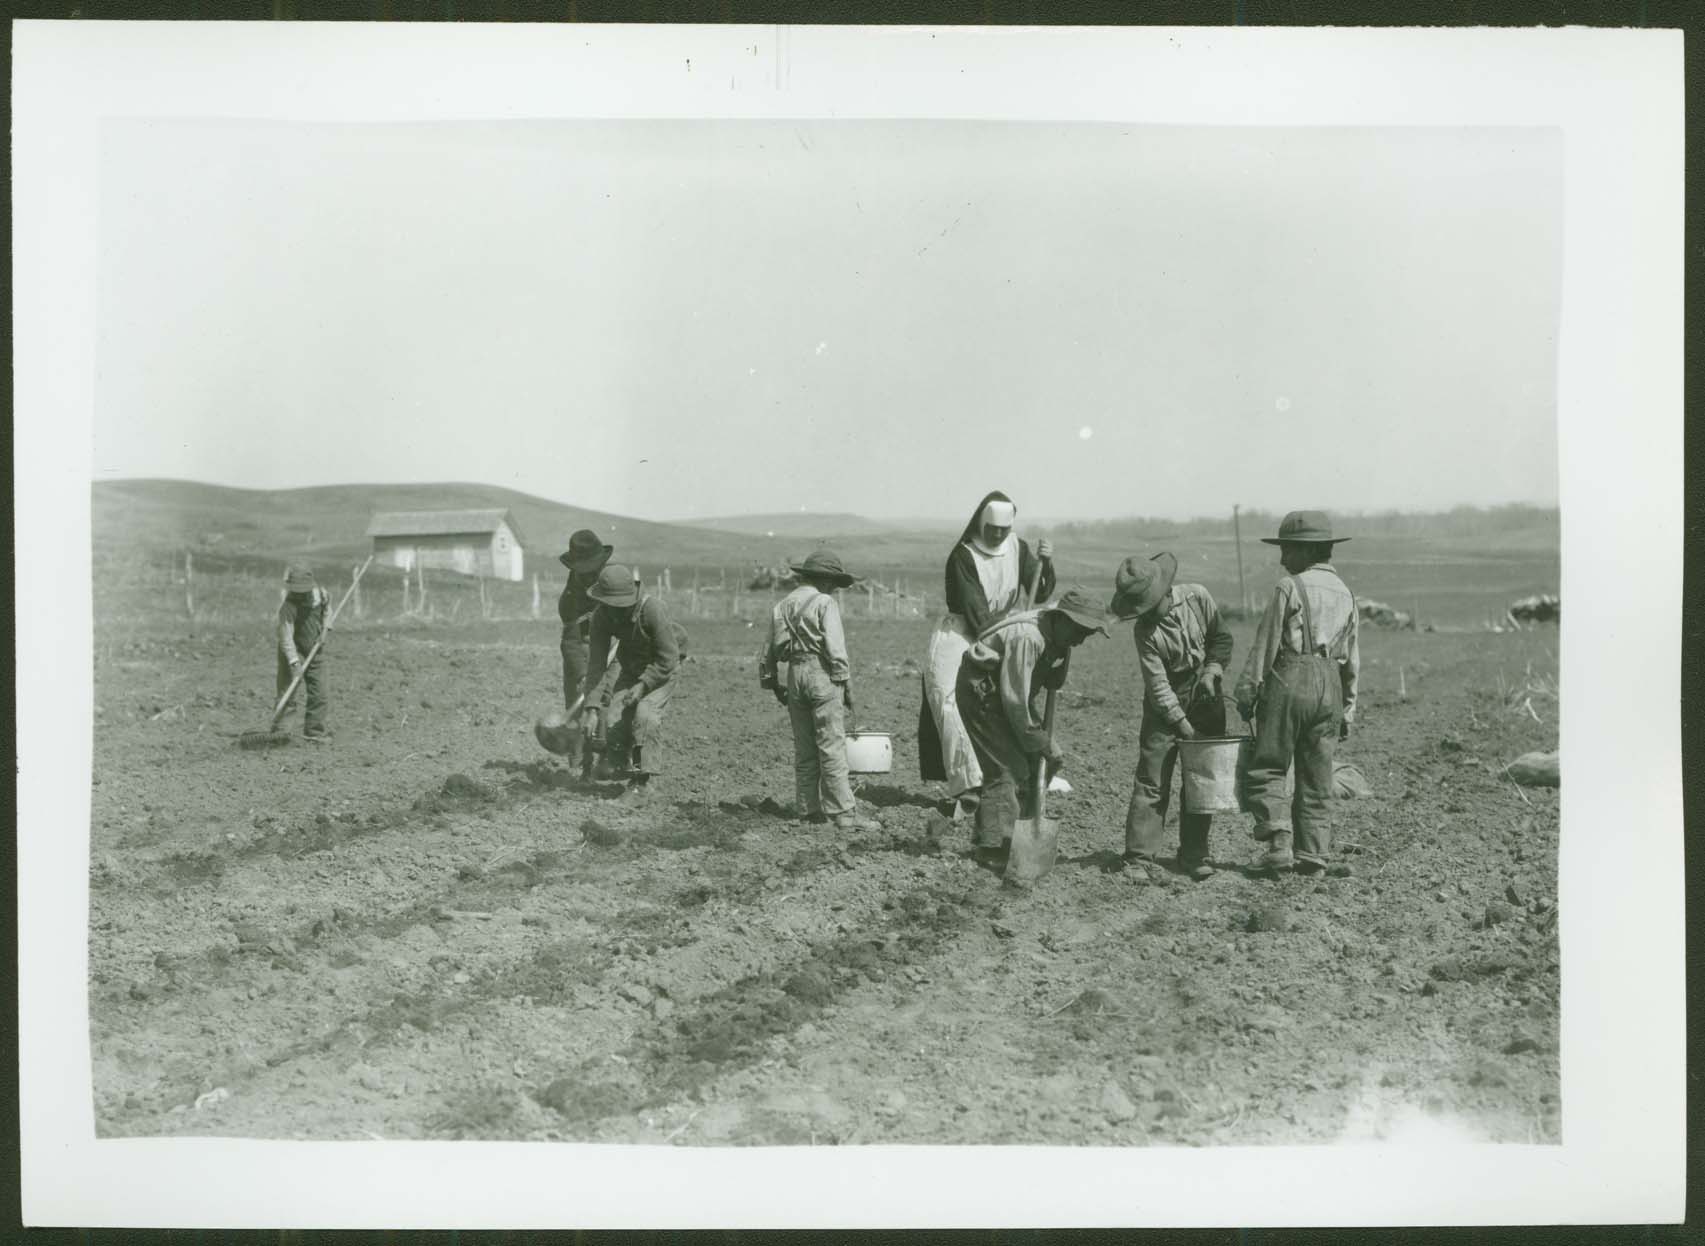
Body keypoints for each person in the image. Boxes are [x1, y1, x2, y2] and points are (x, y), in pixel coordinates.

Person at [1234, 511, 1360, 876]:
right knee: (1317, 774)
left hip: (1290, 680)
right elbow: (1352, 658)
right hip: (1331, 685)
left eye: (1287, 549)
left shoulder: (1289, 588)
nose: (1282, 558)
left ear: (1307, 551)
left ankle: (1278, 844)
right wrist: (1347, 710)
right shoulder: (1347, 594)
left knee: (1268, 765)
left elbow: (1266, 644)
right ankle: (1314, 854)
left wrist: (1247, 691)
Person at [918, 491, 1056, 820]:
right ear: (981, 522)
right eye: (992, 528)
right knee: (949, 701)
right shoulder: (963, 556)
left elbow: (1041, 590)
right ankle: (968, 788)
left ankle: (1012, 780)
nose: (997, 535)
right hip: (961, 631)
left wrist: (1047, 563)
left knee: (1006, 701)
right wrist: (1009, 635)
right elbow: (977, 612)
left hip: (1002, 628)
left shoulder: (1018, 548)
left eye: (1003, 529)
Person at [954, 586, 1108, 856]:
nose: (1081, 640)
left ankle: (1017, 826)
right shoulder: (1028, 637)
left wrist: (1061, 656)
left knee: (1048, 758)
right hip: (983, 694)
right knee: (1006, 768)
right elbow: (1014, 699)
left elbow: (1041, 686)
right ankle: (994, 847)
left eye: (1086, 634)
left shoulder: (1059, 635)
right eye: (1079, 631)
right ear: (1061, 618)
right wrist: (1035, 740)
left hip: (1010, 694)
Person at [1112, 553, 1234, 881]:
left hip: (1205, 691)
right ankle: (1139, 857)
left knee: (1201, 779)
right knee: (1152, 779)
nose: (1146, 616)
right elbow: (1159, 687)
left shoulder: (1198, 597)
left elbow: (1221, 639)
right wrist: (1182, 724)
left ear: (1166, 592)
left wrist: (1212, 671)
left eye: (1150, 607)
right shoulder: (1145, 633)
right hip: (1164, 702)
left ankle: (1194, 854)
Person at [758, 549, 881, 833]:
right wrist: (845, 682)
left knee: (804, 749)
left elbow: (767, 653)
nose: (835, 590)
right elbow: (836, 649)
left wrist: (773, 684)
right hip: (821, 674)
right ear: (826, 581)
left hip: (794, 675)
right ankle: (845, 814)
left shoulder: (782, 605)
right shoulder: (825, 602)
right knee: (832, 746)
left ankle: (808, 810)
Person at [581, 563, 681, 782]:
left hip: (661, 671)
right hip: (631, 669)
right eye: (607, 605)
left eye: (617, 606)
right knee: (614, 713)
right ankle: (620, 765)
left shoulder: (653, 609)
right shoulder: (601, 617)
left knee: (643, 716)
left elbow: (669, 658)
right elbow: (596, 665)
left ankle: (642, 783)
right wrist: (591, 708)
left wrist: (643, 685)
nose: (612, 612)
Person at [275, 564, 331, 740]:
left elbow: (327, 612)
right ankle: (281, 731)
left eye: (303, 591)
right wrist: (294, 662)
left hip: (314, 645)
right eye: (296, 591)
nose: (299, 594)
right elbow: (286, 638)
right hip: (291, 648)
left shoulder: (322, 595)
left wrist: (325, 629)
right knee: (288, 689)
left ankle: (314, 732)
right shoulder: (288, 607)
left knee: (320, 690)